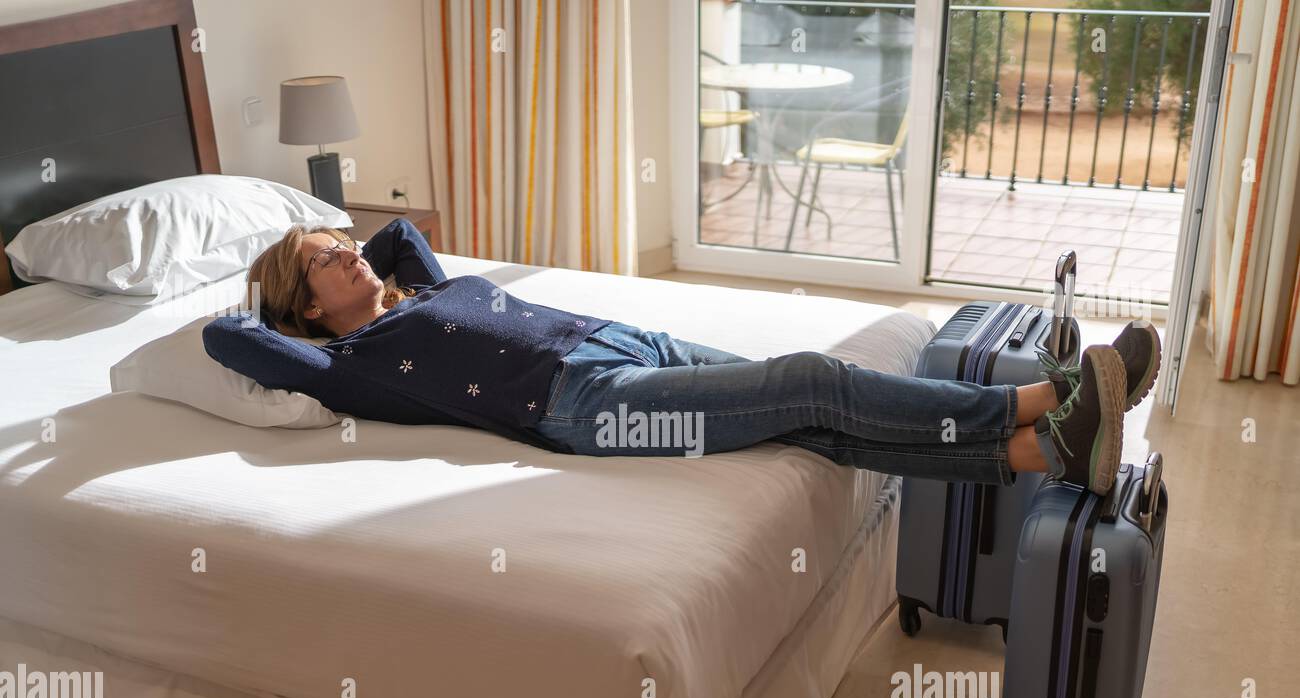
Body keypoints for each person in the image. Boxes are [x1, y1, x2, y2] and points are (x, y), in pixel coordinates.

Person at [203, 218, 1160, 495]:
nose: (343, 252)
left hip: (625, 343)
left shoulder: (419, 290)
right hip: (593, 405)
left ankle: (1044, 454)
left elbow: (403, 231)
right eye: (319, 262)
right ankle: (1044, 399)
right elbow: (225, 335)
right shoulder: (354, 362)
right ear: (302, 307)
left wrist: (353, 257)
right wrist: (284, 298)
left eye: (336, 240)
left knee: (813, 424)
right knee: (812, 379)